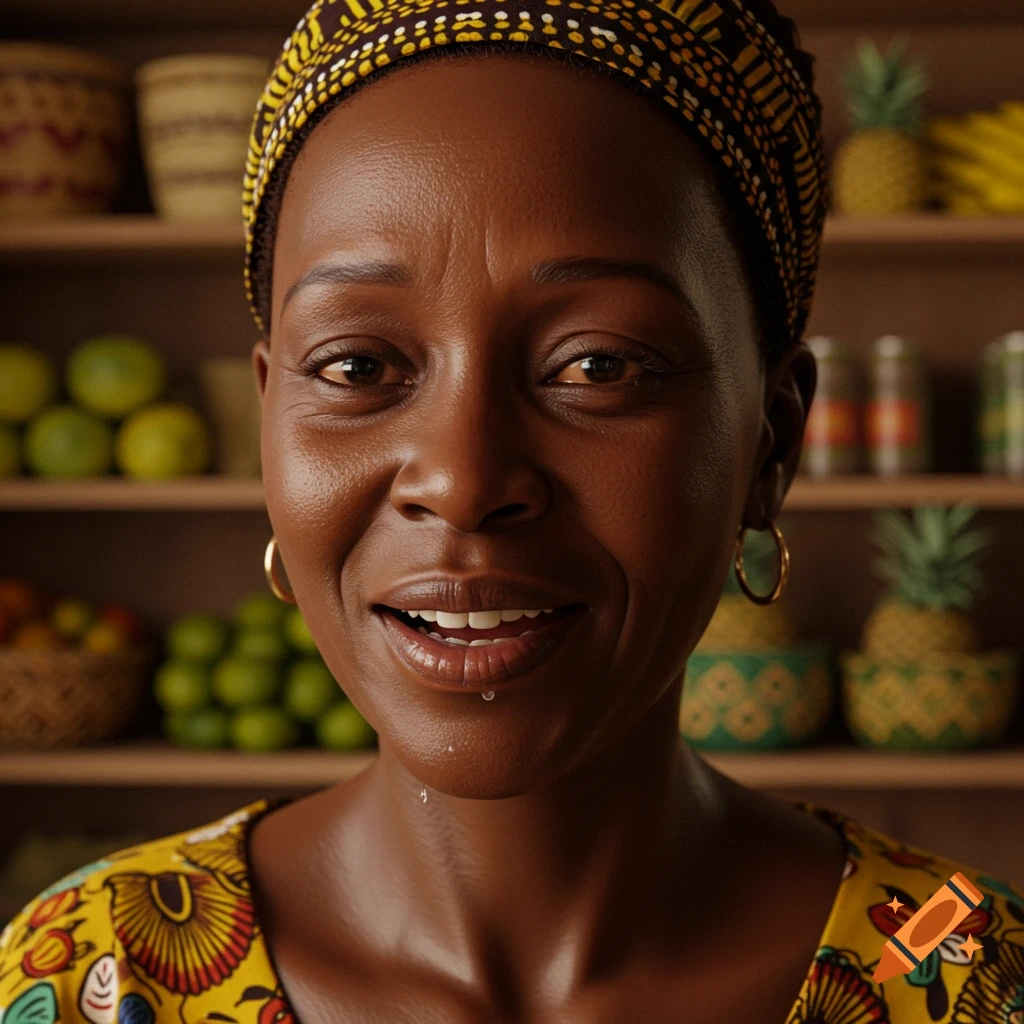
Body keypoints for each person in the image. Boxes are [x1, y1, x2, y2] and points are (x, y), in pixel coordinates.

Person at [2, 0, 1023, 1021]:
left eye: (597, 365)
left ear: (769, 443)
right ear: (270, 415)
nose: (461, 477)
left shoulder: (972, 983)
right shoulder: (84, 977)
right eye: (357, 365)